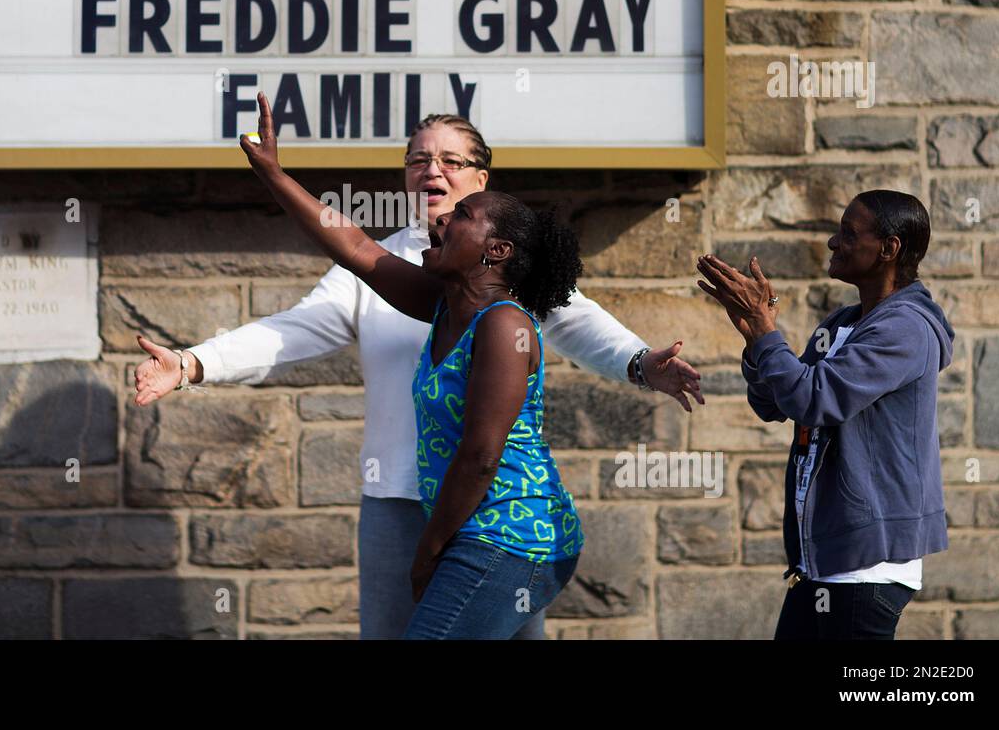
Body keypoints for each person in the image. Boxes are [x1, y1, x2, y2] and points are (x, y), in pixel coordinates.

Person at [136, 107, 703, 639]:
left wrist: (640, 362)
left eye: (451, 161)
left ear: (483, 181)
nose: (432, 170)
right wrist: (192, 362)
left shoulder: (508, 284)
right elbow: (327, 282)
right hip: (402, 499)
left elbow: (578, 325)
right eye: (418, 160)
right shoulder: (434, 285)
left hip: (504, 524)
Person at [228, 92, 595, 637]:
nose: (441, 224)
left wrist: (429, 548)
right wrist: (275, 176)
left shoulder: (504, 326)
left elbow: (479, 456)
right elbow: (352, 245)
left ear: (495, 252)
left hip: (510, 538)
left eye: (462, 217)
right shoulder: (444, 305)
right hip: (480, 531)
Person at [696, 190, 952, 640]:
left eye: (848, 234)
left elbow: (813, 399)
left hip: (864, 567)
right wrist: (757, 342)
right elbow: (776, 402)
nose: (834, 243)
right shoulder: (842, 323)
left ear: (889, 249)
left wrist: (765, 330)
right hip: (823, 563)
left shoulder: (906, 328)